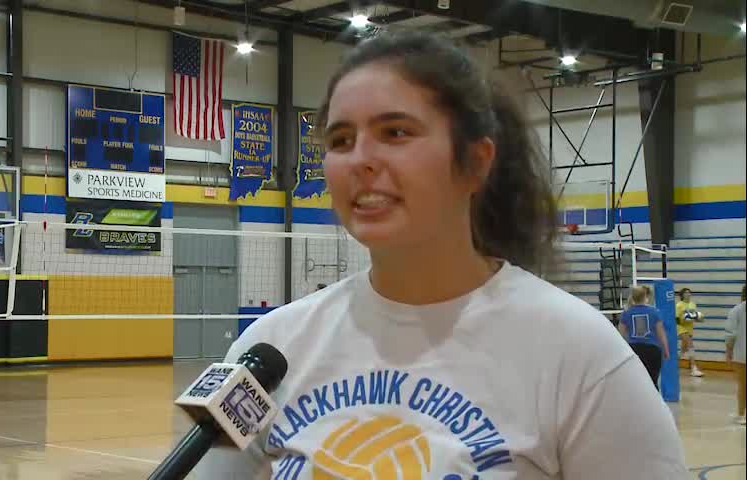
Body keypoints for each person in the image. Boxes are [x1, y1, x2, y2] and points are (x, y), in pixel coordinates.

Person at [190, 31, 686, 479]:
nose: (360, 157)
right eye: (341, 139)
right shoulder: (272, 347)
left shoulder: (579, 353)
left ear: (475, 163)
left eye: (395, 132)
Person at [619, 286, 670, 389]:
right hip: (652, 349)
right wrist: (666, 350)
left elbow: (620, 335)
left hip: (635, 349)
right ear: (646, 296)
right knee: (653, 381)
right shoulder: (654, 312)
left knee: (636, 381)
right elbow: (661, 333)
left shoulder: (626, 313)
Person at [724, 284, 746, 426]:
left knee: (743, 385)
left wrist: (728, 351)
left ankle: (741, 414)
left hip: (742, 352)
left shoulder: (737, 310)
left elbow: (731, 334)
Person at [676, 287, 705, 377]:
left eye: (689, 293)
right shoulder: (679, 305)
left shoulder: (693, 304)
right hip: (681, 328)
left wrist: (698, 318)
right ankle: (694, 368)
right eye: (686, 293)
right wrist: (684, 320)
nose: (688, 294)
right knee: (690, 345)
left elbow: (695, 317)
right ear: (682, 295)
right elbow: (676, 318)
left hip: (690, 329)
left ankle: (673, 365)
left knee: (683, 349)